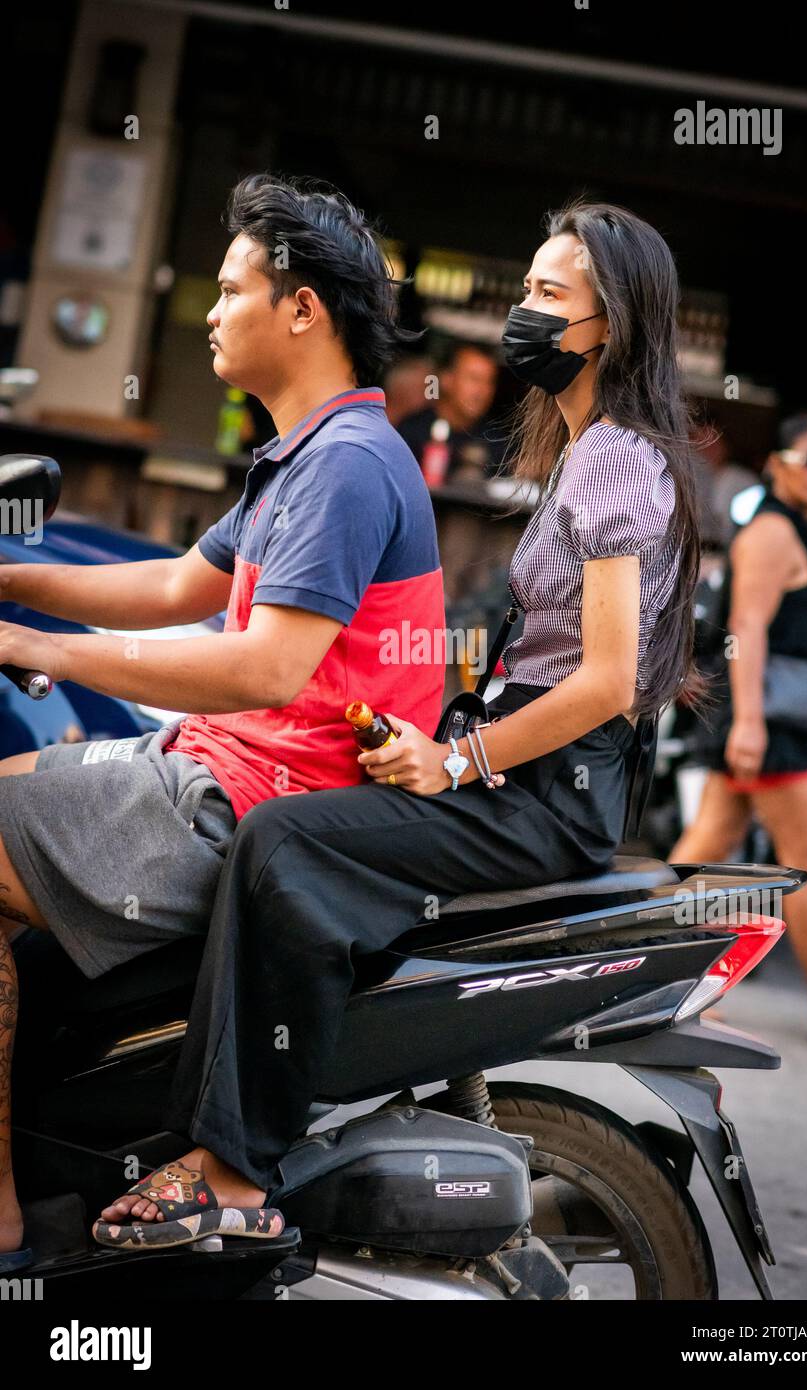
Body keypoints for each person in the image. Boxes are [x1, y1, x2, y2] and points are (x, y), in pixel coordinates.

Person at [95, 198, 703, 1251]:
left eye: (547, 297)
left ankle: (233, 1167)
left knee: (285, 838)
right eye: (523, 290)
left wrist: (455, 755)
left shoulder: (612, 459)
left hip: (546, 796)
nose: (522, 314)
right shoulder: (596, 447)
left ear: (610, 326)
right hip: (538, 773)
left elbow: (604, 681)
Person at [0, 173, 447, 1271]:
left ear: (302, 310)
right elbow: (171, 589)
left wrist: (40, 649)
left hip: (236, 806)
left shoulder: (344, 467)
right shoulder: (305, 454)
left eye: (233, 286)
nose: (209, 309)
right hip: (208, 771)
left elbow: (262, 665)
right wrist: (13, 581)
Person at [671, 411, 807, 1050]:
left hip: (781, 719)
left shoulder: (800, 533)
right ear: (777, 462)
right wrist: (751, 724)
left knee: (708, 847)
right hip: (764, 724)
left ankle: (656, 971)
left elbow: (795, 647)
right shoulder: (772, 534)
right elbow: (747, 631)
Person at [397, 340, 504, 480]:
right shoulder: (412, 432)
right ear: (447, 379)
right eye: (474, 379)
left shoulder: (496, 440)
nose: (481, 391)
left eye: (489, 381)